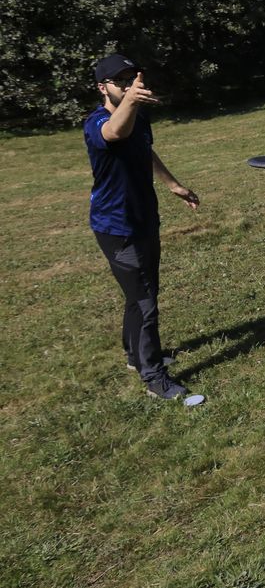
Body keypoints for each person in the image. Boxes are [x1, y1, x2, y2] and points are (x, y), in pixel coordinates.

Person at [85, 54, 201, 400]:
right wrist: (131, 102)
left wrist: (173, 185)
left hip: (144, 220)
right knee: (145, 301)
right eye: (119, 81)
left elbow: (144, 150)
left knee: (140, 295)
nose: (127, 86)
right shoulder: (96, 122)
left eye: (131, 80)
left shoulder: (139, 117)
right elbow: (115, 133)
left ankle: (135, 357)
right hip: (116, 227)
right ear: (102, 87)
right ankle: (154, 378)